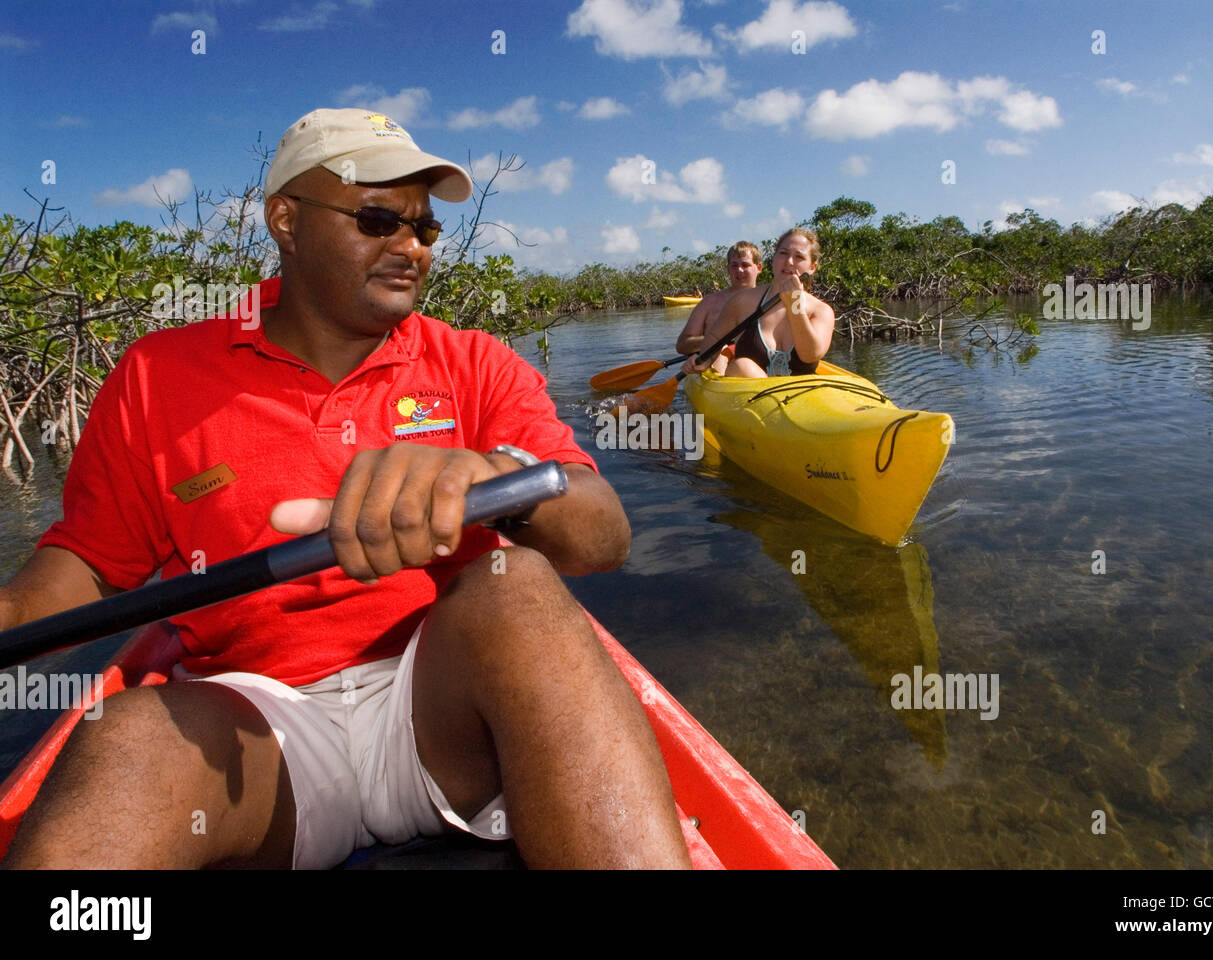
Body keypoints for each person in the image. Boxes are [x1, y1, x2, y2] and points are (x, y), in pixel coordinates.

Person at [0, 108, 691, 870]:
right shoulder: (155, 375)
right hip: (260, 733)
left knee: (515, 583)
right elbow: (90, 564)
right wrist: (11, 613)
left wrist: (492, 478)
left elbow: (604, 535)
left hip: (445, 712)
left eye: (425, 230)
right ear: (286, 222)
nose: (410, 248)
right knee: (125, 733)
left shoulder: (476, 364)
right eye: (377, 220)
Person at [684, 229, 835, 378]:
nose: (789, 262)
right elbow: (715, 337)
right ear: (774, 258)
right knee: (742, 366)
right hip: (749, 392)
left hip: (800, 396)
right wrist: (706, 359)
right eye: (783, 253)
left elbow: (810, 356)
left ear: (812, 267)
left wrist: (795, 306)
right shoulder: (742, 301)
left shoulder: (822, 311)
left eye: (799, 257)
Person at [673, 241, 761, 357]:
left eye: (745, 265)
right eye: (734, 265)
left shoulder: (770, 299)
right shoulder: (709, 303)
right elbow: (682, 345)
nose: (739, 270)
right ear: (728, 269)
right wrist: (716, 338)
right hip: (716, 366)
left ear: (758, 268)